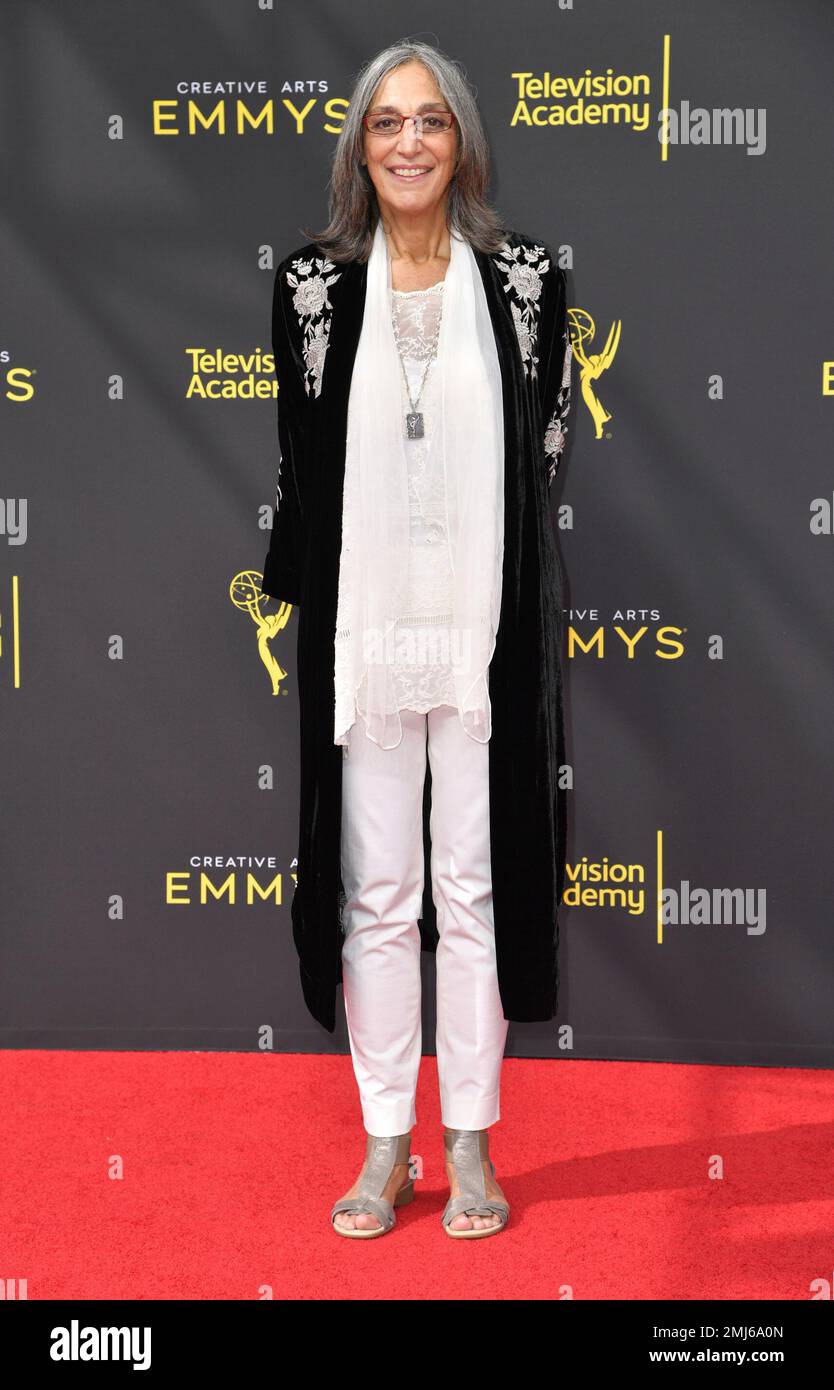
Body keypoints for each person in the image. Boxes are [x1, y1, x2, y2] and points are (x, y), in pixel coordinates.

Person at [261, 38, 573, 1240]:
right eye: (385, 121)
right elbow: (301, 461)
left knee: (475, 889)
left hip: (482, 635)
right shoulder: (309, 287)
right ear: (358, 143)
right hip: (365, 633)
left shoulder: (530, 281)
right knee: (377, 893)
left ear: (463, 141)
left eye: (429, 121)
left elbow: (541, 465)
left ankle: (472, 1145)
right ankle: (387, 1143)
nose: (406, 142)